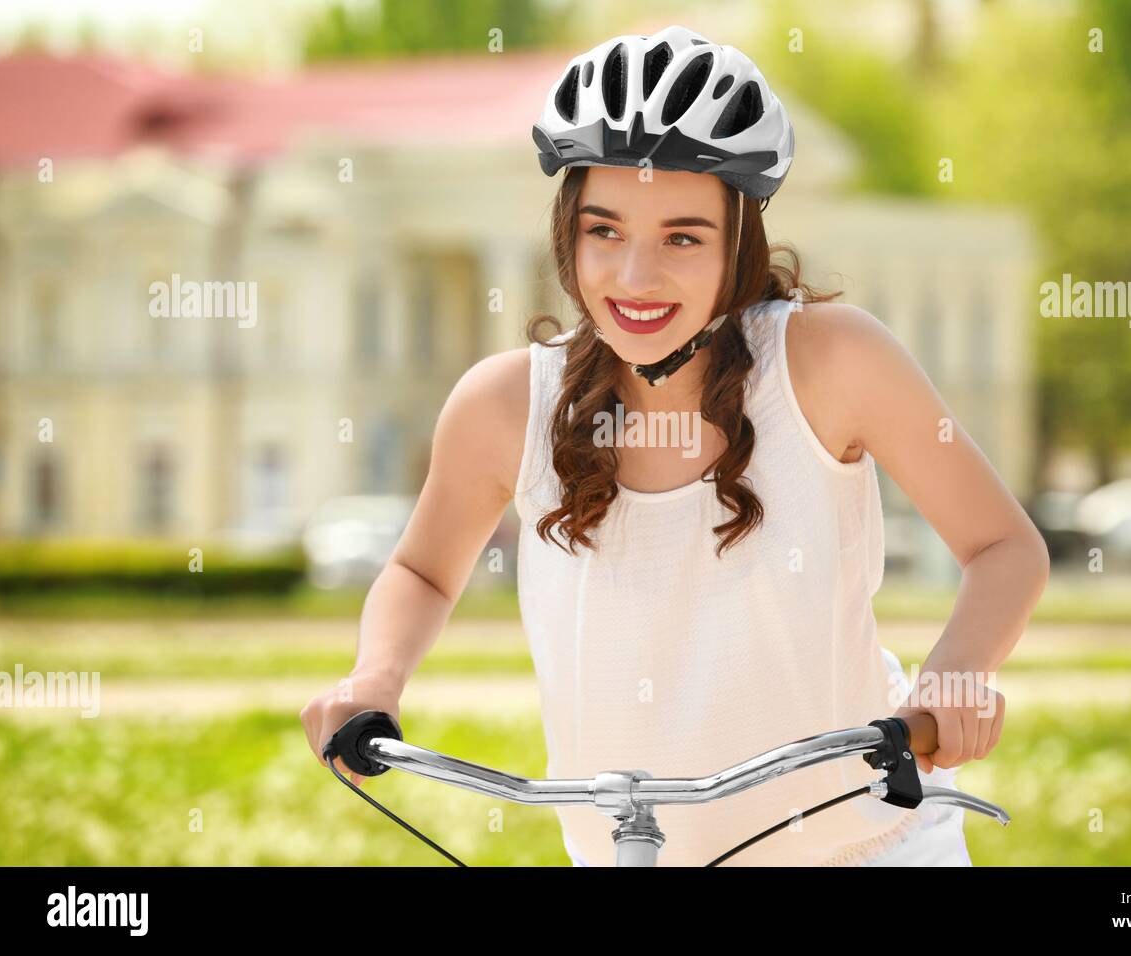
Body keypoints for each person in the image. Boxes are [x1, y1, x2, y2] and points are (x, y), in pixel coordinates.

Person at [301, 24, 1049, 866]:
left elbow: (1004, 547)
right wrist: (375, 677)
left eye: (683, 237)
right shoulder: (504, 406)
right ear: (566, 232)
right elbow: (423, 570)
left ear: (739, 245)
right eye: (604, 231)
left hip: (866, 846)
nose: (634, 278)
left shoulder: (831, 361)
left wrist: (953, 677)